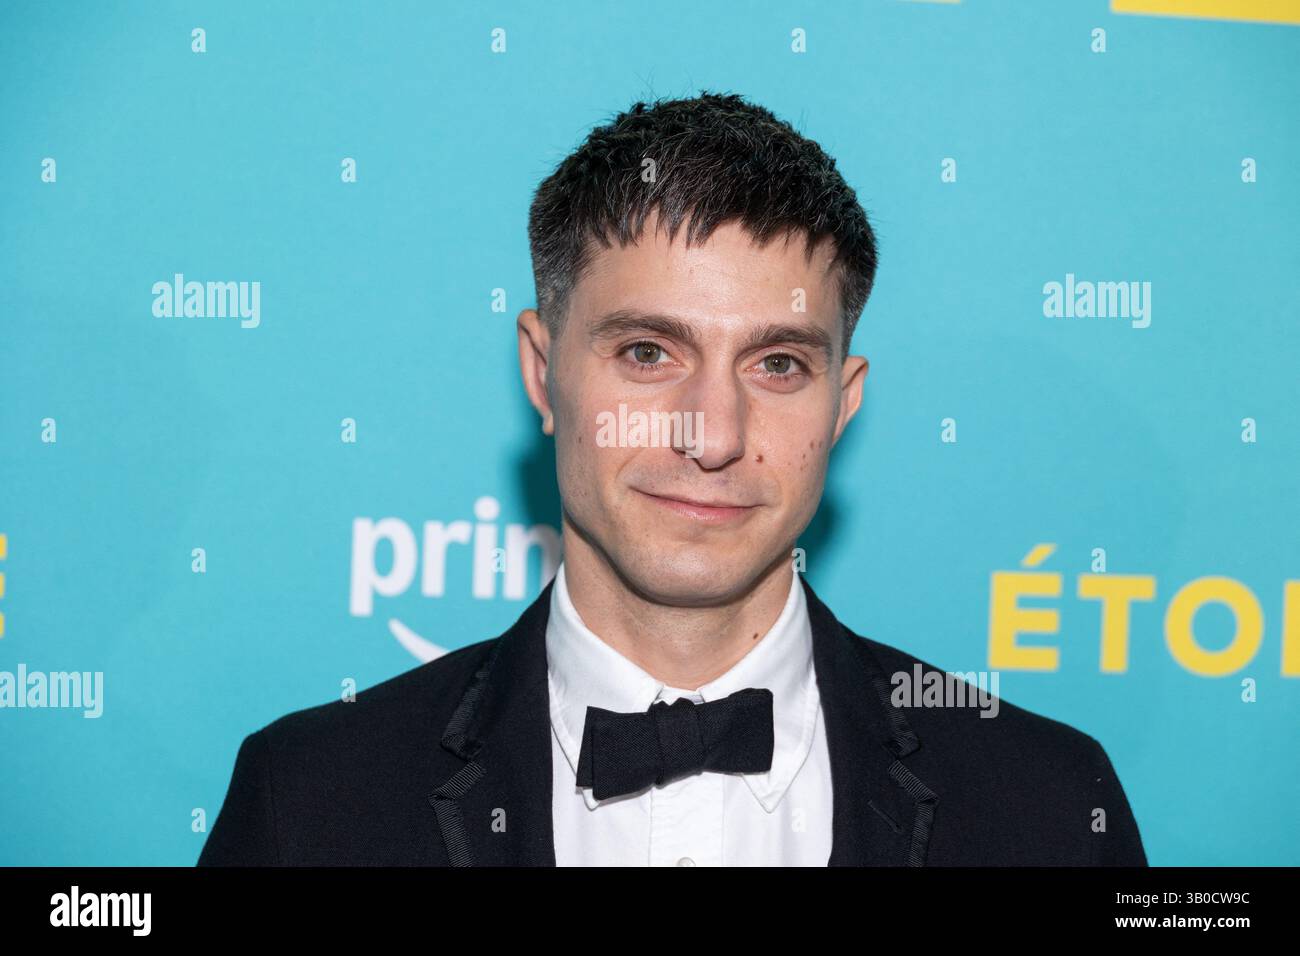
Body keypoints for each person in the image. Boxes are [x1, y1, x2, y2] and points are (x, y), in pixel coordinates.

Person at [197, 91, 1147, 867]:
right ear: (541, 371)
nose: (716, 435)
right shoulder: (310, 803)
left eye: (778, 365)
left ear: (842, 404)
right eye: (649, 351)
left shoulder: (1054, 810)